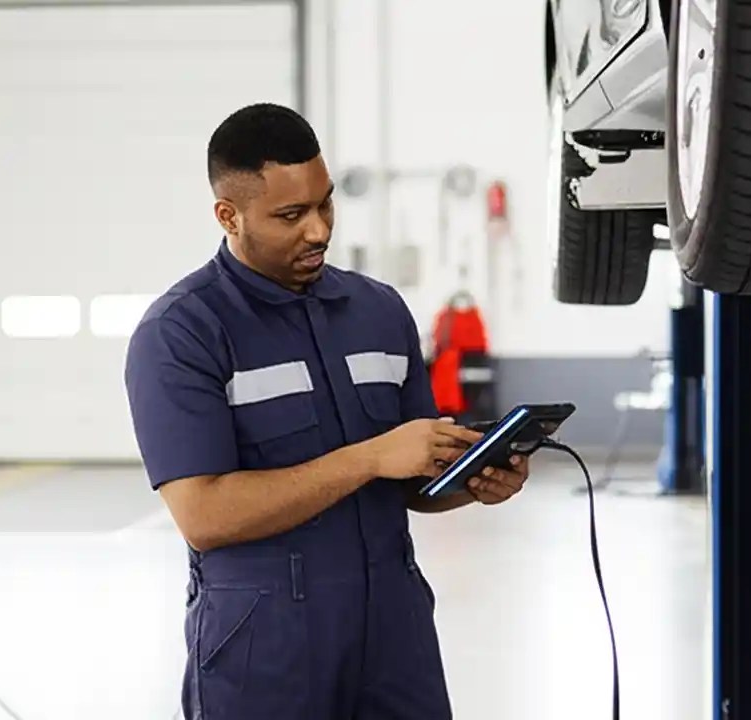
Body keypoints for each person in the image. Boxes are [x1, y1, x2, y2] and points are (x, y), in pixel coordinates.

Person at [124, 103, 531, 720]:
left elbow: (416, 480)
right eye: (291, 216)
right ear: (228, 216)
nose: (318, 230)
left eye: (325, 204)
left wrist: (475, 479)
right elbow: (203, 514)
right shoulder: (182, 333)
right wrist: (369, 458)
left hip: (394, 633)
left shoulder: (379, 311)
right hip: (265, 645)